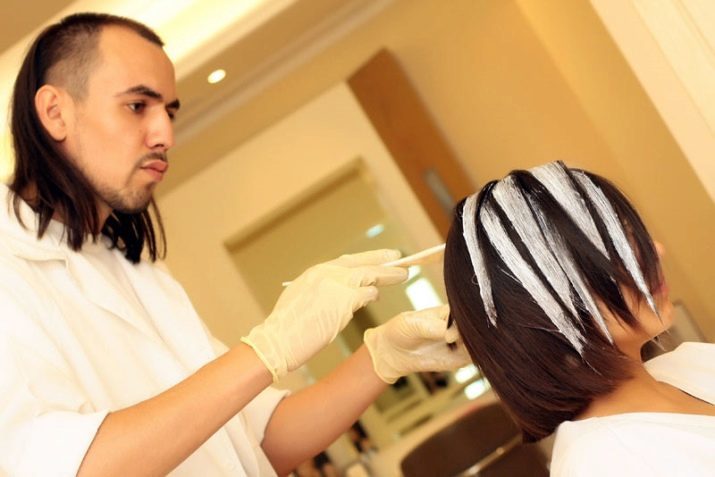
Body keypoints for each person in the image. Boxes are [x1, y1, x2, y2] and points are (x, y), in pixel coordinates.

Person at [0, 13, 469, 476]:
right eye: (138, 106)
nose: (165, 134)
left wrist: (382, 357)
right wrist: (265, 350)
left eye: (169, 111)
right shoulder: (10, 271)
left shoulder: (139, 274)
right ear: (55, 112)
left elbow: (262, 442)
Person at [443, 161, 715, 476]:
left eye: (630, 232)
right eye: (611, 248)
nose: (655, 250)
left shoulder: (689, 363)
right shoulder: (606, 463)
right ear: (537, 305)